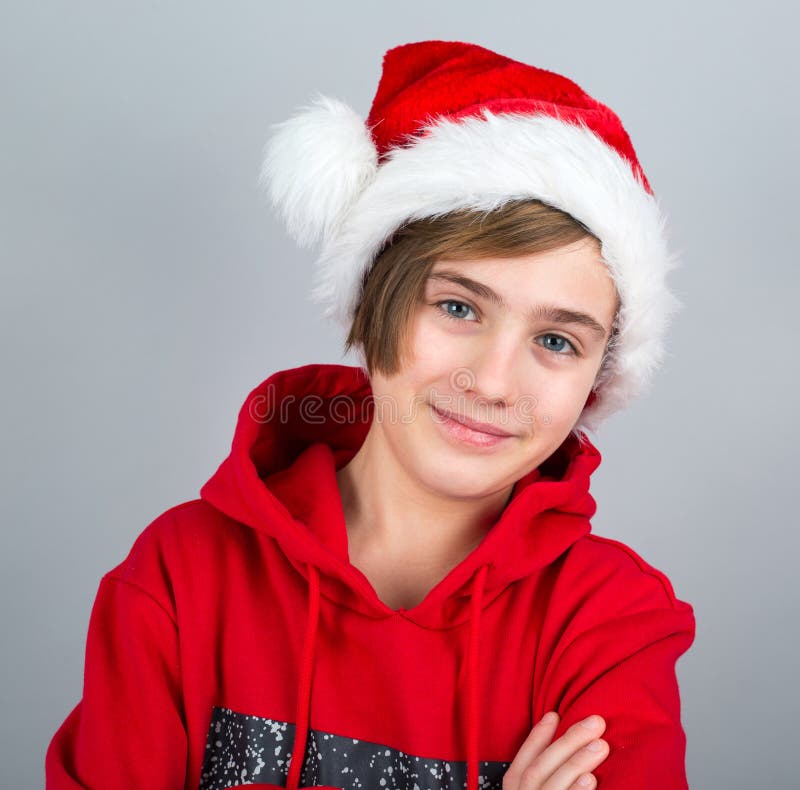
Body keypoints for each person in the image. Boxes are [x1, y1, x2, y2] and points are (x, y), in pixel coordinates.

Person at [46, 39, 695, 789]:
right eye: (458, 307)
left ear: (596, 380)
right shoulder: (181, 576)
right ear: (372, 301)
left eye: (556, 341)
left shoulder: (610, 624)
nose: (492, 381)